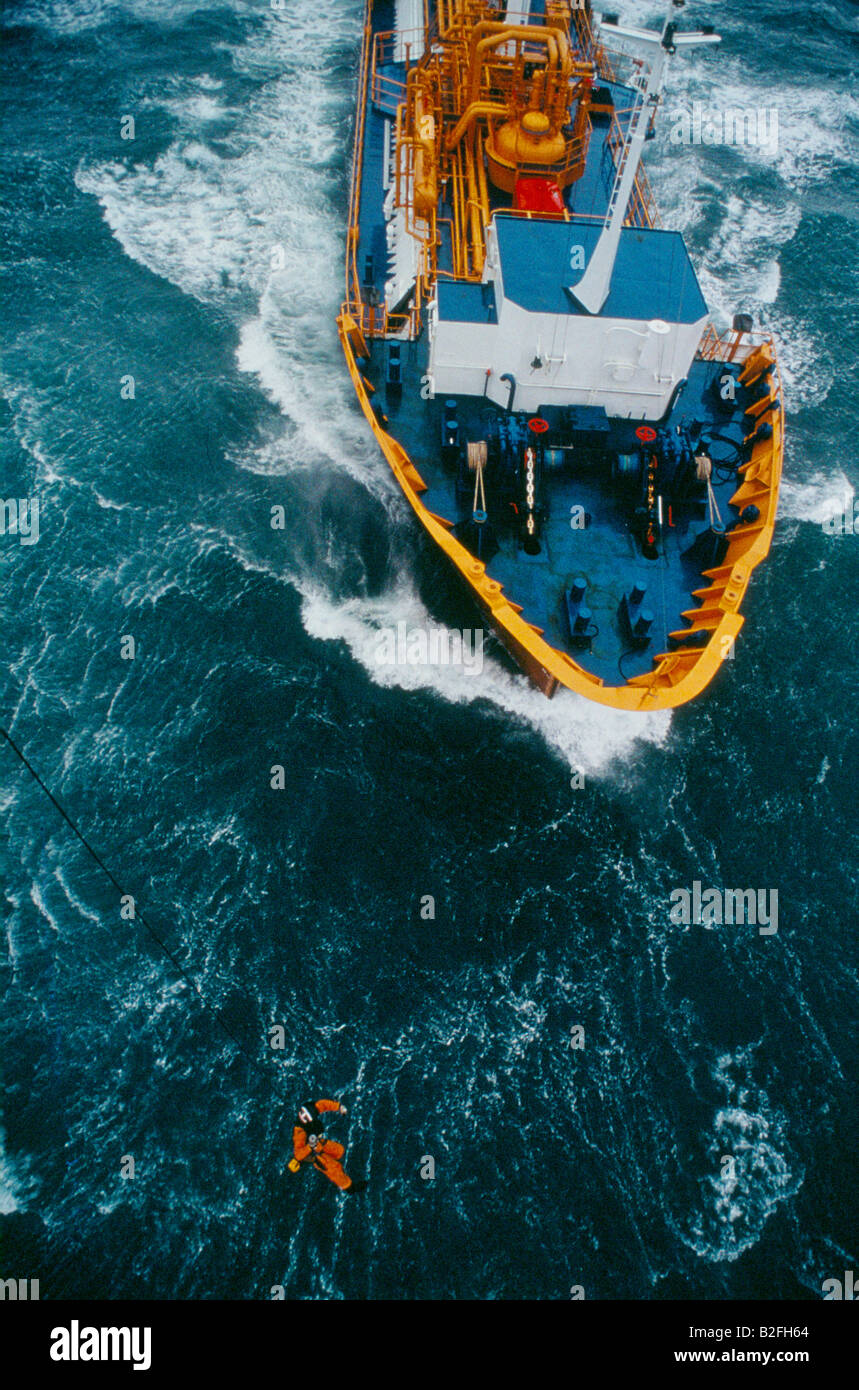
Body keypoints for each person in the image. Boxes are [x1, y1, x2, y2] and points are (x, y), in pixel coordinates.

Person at [292, 1098, 366, 1194]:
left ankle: (342, 1165)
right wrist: (310, 1146)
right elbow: (298, 1154)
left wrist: (339, 1107)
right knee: (333, 1169)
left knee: (339, 1150)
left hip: (317, 1143)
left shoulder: (310, 1108)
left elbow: (322, 1105)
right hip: (313, 1154)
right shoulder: (299, 1133)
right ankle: (350, 1188)